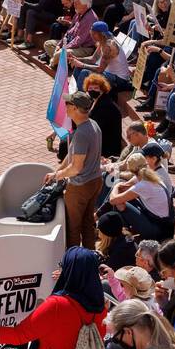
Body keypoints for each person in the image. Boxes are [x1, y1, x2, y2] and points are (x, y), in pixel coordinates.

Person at [47, 90, 106, 250]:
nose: (65, 107)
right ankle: (88, 258)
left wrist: (58, 175)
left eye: (68, 104)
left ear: (75, 108)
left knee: (72, 227)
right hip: (95, 181)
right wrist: (57, 172)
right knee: (87, 223)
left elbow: (75, 167)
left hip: (80, 186)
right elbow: (72, 155)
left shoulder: (81, 133)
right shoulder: (93, 125)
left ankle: (73, 262)